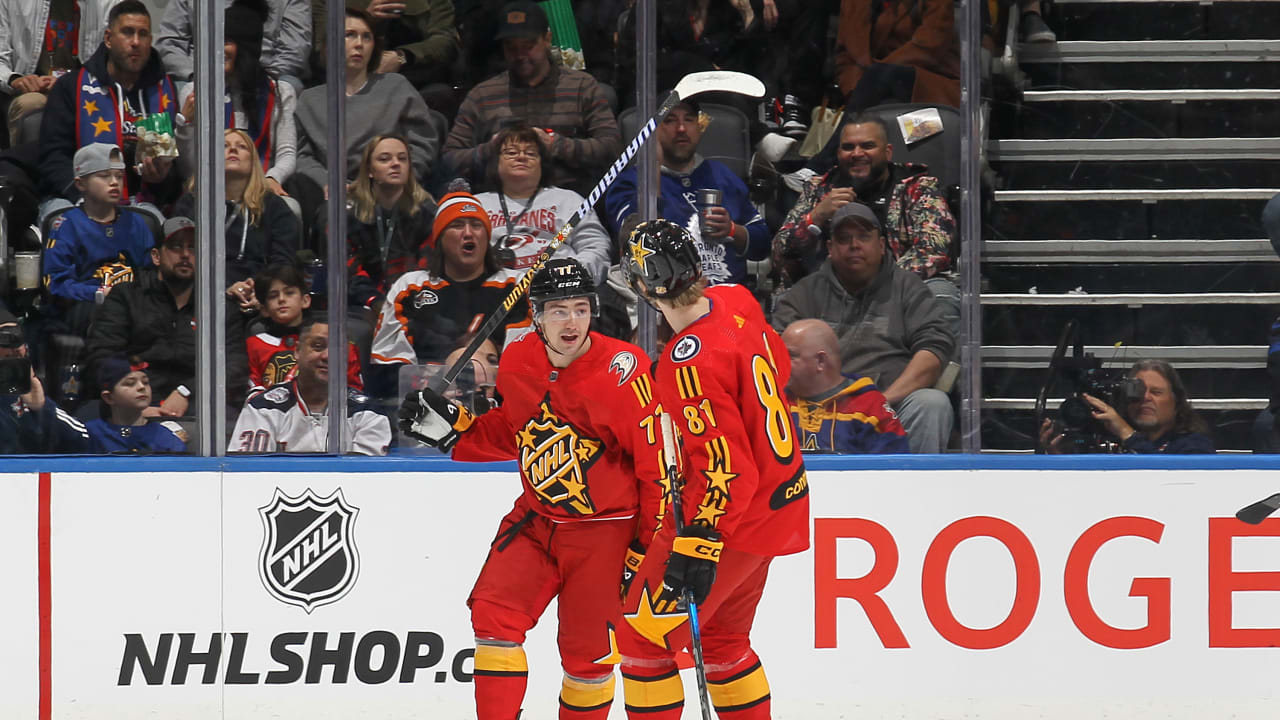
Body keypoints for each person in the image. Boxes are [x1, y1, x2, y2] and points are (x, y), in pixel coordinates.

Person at [397, 257, 663, 719]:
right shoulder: (519, 357)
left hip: (606, 532)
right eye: (558, 310)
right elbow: (516, 429)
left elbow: (656, 468)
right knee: (493, 616)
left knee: (588, 660)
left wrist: (646, 546)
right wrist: (459, 431)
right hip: (538, 519)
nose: (572, 321)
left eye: (581, 308)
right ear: (536, 316)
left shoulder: (624, 370)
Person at [615, 219, 810, 719]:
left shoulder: (685, 364)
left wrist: (701, 543)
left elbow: (728, 469)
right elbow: (781, 369)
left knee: (642, 638)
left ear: (642, 287)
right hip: (780, 505)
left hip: (732, 521)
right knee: (723, 641)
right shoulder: (736, 302)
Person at [772, 202, 955, 453]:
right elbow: (775, 351)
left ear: (881, 246)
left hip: (891, 401)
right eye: (844, 239)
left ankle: (915, 488)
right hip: (818, 408)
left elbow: (935, 349)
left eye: (863, 237)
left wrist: (881, 403)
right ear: (830, 249)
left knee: (932, 403)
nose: (854, 245)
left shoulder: (909, 288)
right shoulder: (805, 293)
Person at [774, 114, 959, 327]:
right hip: (828, 291)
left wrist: (877, 285)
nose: (857, 154)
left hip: (897, 290)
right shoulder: (818, 189)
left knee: (941, 296)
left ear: (887, 152)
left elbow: (934, 249)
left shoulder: (916, 187)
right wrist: (815, 217)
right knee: (785, 301)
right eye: (848, 147)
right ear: (838, 153)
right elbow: (780, 251)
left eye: (867, 146)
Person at [442, 1, 621, 197]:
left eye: (528, 46)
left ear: (547, 39)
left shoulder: (582, 86)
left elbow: (611, 147)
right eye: (511, 47)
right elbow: (450, 158)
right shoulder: (482, 95)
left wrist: (558, 145)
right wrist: (490, 149)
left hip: (570, 200)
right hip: (500, 203)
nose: (520, 55)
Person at [86, 216, 250, 417]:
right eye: (175, 247)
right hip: (134, 402)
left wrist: (186, 391)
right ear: (156, 256)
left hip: (199, 403)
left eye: (192, 248)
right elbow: (103, 354)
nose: (185, 255)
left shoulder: (219, 305)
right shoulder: (127, 296)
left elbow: (234, 365)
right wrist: (134, 401)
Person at [605, 96, 769, 286]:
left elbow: (763, 245)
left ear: (700, 128)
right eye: (670, 120)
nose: (681, 128)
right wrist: (653, 168)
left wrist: (733, 230)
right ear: (652, 132)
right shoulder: (628, 183)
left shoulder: (723, 175)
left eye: (689, 119)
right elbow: (634, 240)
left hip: (729, 298)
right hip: (666, 300)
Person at [38, 0, 180, 219]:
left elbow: (174, 176)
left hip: (140, 202)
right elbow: (53, 157)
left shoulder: (164, 93)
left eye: (143, 34)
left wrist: (160, 179)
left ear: (150, 41)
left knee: (153, 224)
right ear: (108, 39)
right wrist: (87, 197)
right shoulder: (71, 86)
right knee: (65, 224)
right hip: (75, 198)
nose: (135, 42)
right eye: (127, 32)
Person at [293, 6, 437, 222]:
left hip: (392, 187)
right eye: (349, 35)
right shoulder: (309, 100)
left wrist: (397, 178)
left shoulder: (396, 87)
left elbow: (423, 142)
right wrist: (328, 181)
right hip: (336, 193)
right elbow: (302, 156)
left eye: (366, 37)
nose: (359, 44)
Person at [369, 191, 531, 372]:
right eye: (457, 225)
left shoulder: (518, 285)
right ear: (440, 239)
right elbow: (386, 365)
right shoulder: (409, 287)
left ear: (487, 237)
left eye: (477, 225)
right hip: (426, 395)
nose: (468, 233)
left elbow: (527, 364)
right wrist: (428, 382)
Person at [173, 0, 298, 197]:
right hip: (207, 193)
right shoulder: (193, 92)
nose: (219, 49)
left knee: (292, 210)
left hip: (261, 191)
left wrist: (273, 178)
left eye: (226, 42)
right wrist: (185, 124)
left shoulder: (280, 93)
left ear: (247, 48)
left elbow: (287, 152)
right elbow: (188, 169)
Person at [229, 318, 391, 455]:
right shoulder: (263, 408)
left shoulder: (368, 413)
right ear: (298, 351)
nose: (327, 356)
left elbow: (364, 483)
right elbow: (250, 478)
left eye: (337, 349)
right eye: (318, 346)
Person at [475, 122, 610, 285]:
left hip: (559, 291)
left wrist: (572, 278)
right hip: (493, 290)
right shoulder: (477, 204)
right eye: (511, 152)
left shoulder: (568, 200)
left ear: (542, 164)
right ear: (495, 162)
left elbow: (596, 248)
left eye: (531, 153)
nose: (521, 156)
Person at [42, 143, 155, 336]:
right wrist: (98, 294)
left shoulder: (136, 223)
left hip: (132, 306)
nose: (114, 183)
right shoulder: (66, 226)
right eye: (104, 176)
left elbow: (151, 274)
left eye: (119, 177)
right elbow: (55, 284)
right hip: (86, 308)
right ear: (80, 184)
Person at [175, 128, 300, 301]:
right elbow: (180, 259)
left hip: (259, 297)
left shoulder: (274, 207)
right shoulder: (191, 204)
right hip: (203, 295)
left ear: (253, 162)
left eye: (242, 146)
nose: (233, 149)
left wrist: (261, 291)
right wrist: (223, 289)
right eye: (224, 146)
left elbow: (283, 262)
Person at [0, 0, 119, 148]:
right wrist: (15, 79)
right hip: (33, 89)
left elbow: (114, 62)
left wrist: (69, 83)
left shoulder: (109, 4)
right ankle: (23, 167)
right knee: (31, 105)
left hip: (85, 88)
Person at [783, 318, 909, 453]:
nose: (780, 360)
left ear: (820, 361)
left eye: (790, 355)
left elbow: (893, 467)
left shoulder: (869, 406)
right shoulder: (775, 400)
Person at [345, 133, 438, 315]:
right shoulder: (349, 212)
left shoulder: (427, 212)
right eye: (384, 159)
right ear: (370, 170)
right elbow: (348, 270)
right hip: (360, 305)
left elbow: (427, 269)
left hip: (413, 301)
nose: (396, 163)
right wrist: (375, 302)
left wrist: (403, 300)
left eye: (402, 158)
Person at [1040, 360, 1214, 454]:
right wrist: (1058, 458)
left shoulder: (1194, 446)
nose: (1145, 398)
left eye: (1156, 392)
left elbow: (1168, 483)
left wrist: (1127, 433)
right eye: (1137, 391)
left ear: (1177, 401)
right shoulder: (1106, 441)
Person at [243, 262, 363, 391]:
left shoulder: (334, 341)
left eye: (289, 293)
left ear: (305, 300)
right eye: (273, 296)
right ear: (264, 309)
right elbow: (252, 392)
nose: (281, 299)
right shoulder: (253, 346)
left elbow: (353, 391)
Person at [155, 0, 310, 90]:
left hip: (262, 76)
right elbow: (169, 43)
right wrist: (196, 75)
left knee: (289, 86)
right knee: (178, 89)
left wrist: (262, 79)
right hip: (200, 75)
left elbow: (295, 50)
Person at [0, 305, 92, 452]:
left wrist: (41, 408)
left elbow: (81, 439)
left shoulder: (27, 395)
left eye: (19, 338)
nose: (15, 347)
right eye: (5, 338)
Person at [85, 355, 187, 453]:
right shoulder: (91, 434)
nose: (141, 387)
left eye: (146, 382)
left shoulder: (165, 438)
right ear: (109, 397)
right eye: (130, 383)